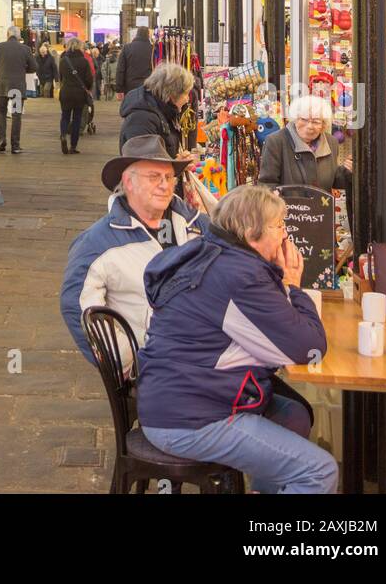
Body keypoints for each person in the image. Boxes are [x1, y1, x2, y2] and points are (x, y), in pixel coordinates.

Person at [137, 184, 338, 494]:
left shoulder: (212, 253)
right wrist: (296, 286)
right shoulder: (240, 276)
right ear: (250, 234)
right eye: (278, 226)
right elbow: (308, 347)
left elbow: (265, 336)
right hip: (190, 421)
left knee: (294, 416)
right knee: (318, 471)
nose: (285, 235)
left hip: (172, 399)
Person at [60, 136, 206, 367]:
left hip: (210, 356)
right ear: (128, 182)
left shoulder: (196, 225)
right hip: (161, 371)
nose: (165, 185)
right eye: (154, 177)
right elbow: (77, 305)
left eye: (169, 177)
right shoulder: (97, 242)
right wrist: (128, 361)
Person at [258, 94, 352, 191]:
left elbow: (334, 180)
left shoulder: (331, 142)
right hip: (288, 205)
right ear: (295, 119)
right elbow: (266, 184)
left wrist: (349, 172)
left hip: (321, 205)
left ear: (323, 125)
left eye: (316, 122)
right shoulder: (276, 141)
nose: (309, 126)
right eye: (304, 119)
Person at [119, 62, 194, 158]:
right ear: (172, 95)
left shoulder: (161, 110)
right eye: (186, 94)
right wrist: (175, 166)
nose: (187, 99)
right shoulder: (142, 119)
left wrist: (177, 164)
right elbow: (145, 166)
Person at [0, 24, 37, 155]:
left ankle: (2, 140)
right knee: (16, 115)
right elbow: (34, 67)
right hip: (17, 88)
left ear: (7, 35)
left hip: (2, 87)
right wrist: (23, 69)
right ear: (19, 36)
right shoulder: (25, 49)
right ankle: (15, 145)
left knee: (1, 113)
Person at [58, 36, 92, 154]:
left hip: (66, 91)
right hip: (79, 93)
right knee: (77, 118)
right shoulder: (84, 61)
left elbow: (60, 77)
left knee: (65, 116)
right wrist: (87, 88)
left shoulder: (63, 60)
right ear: (80, 47)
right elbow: (89, 79)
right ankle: (73, 146)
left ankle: (63, 135)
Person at [115, 26, 154, 100]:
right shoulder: (153, 49)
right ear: (148, 35)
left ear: (137, 34)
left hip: (130, 87)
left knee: (131, 108)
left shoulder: (127, 48)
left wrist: (119, 89)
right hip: (149, 86)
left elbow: (120, 70)